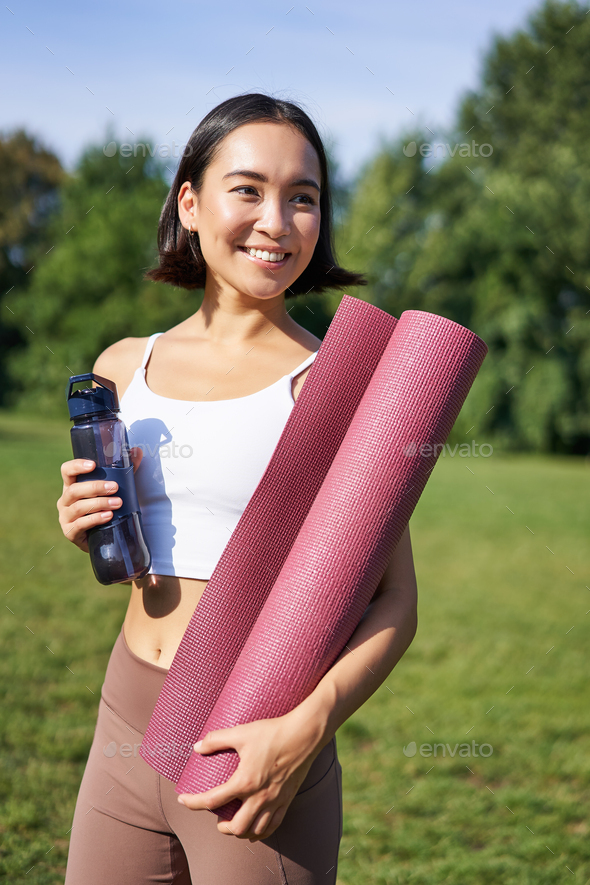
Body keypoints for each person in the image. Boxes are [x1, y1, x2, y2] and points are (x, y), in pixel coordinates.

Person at [57, 92, 418, 885]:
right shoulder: (122, 366)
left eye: (304, 198)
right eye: (248, 189)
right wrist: (83, 517)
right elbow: (143, 533)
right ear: (190, 201)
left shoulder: (341, 386)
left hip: (252, 736)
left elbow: (396, 604)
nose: (277, 221)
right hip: (124, 714)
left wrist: (301, 732)